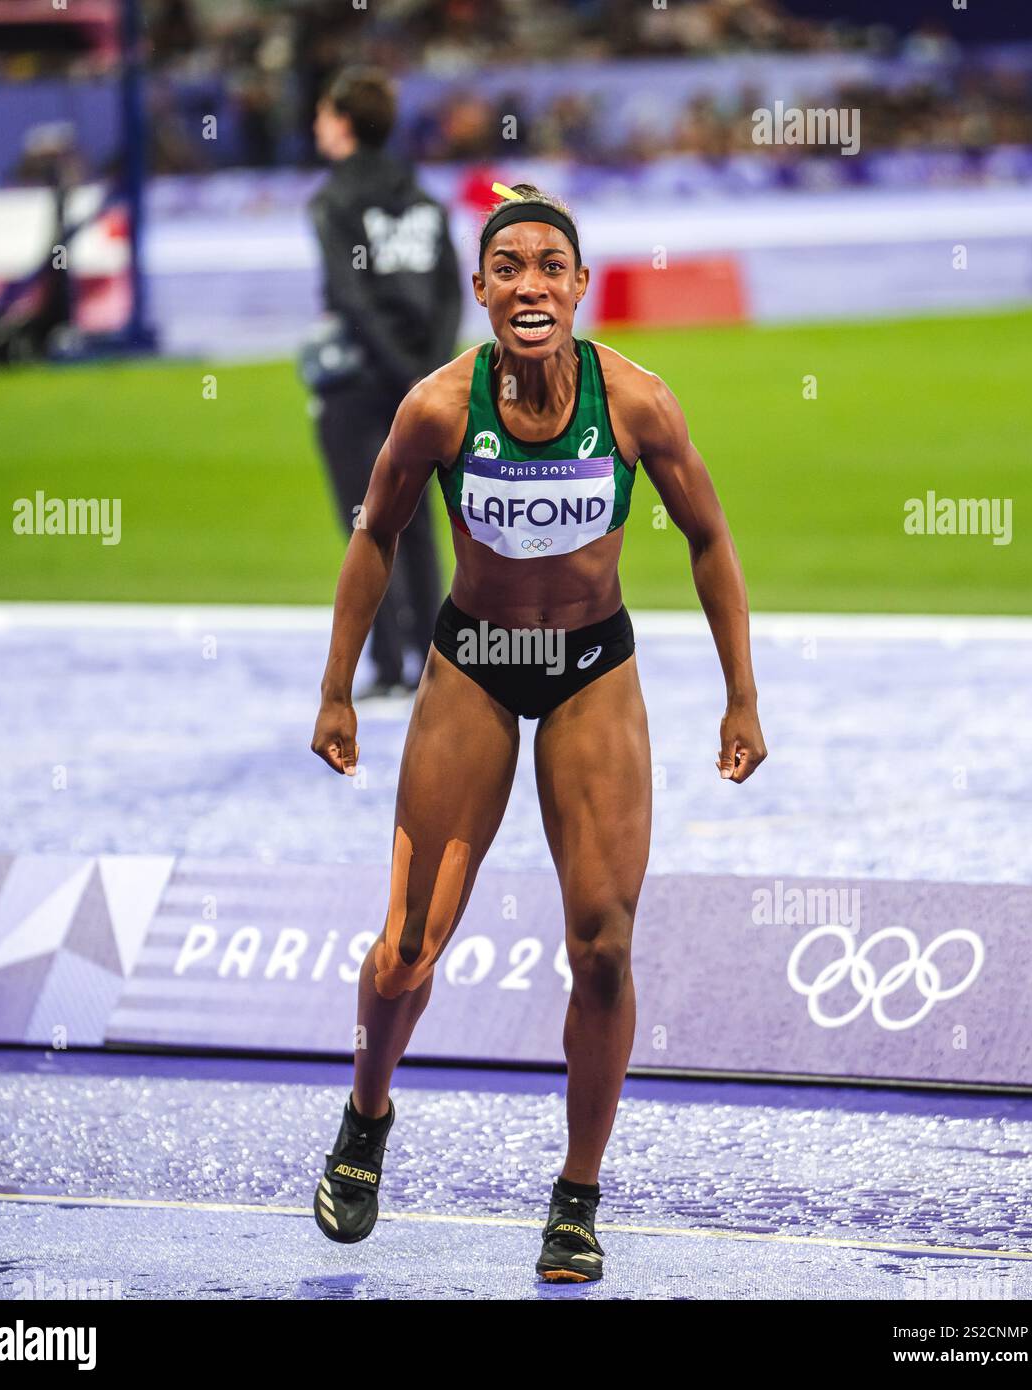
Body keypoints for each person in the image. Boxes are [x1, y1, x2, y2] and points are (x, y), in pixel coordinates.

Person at [309, 182, 767, 1283]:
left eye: (547, 267)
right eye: (506, 267)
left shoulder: (637, 402)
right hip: (476, 664)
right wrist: (334, 689)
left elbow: (708, 538)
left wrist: (739, 694)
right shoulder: (434, 408)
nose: (528, 284)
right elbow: (375, 536)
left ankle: (575, 1198)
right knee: (408, 944)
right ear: (479, 290)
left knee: (602, 944)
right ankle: (367, 1115)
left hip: (586, 670)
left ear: (576, 286)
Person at [309, 67, 461, 695]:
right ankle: (435, 662)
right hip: (421, 377)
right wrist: (427, 374)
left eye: (323, 113)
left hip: (360, 382)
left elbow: (352, 299)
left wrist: (399, 370)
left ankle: (391, 666)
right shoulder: (424, 200)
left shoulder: (333, 201)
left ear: (342, 123)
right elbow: (453, 291)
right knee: (420, 521)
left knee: (368, 524)